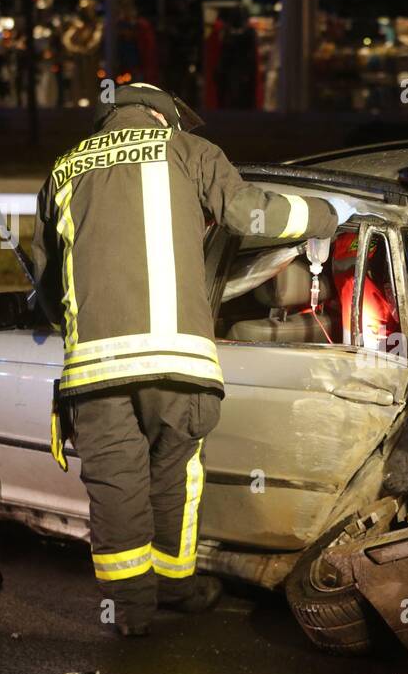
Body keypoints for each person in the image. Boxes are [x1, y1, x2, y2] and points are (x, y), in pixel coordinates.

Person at [31, 82, 351, 636]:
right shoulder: (189, 152)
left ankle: (130, 614)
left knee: (115, 484)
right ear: (164, 116)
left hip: (95, 371)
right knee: (174, 475)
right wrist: (325, 215)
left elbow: (49, 281)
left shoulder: (64, 169)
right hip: (179, 363)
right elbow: (250, 215)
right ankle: (177, 587)